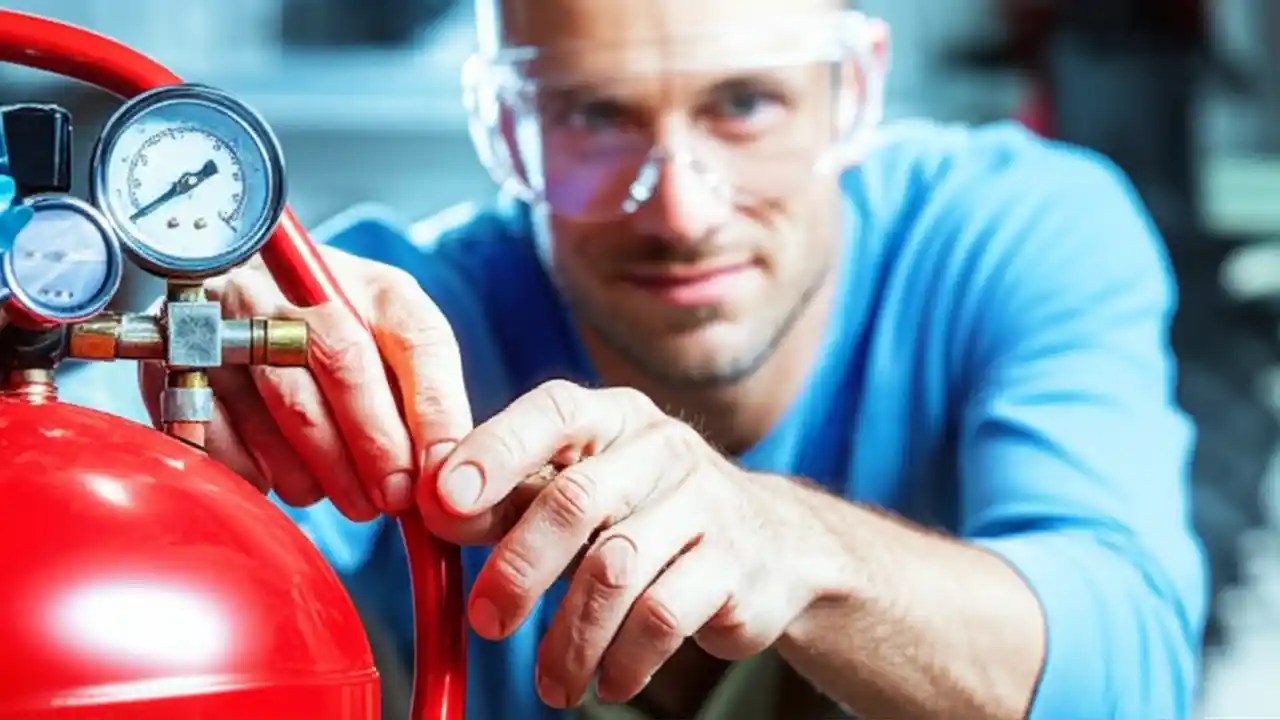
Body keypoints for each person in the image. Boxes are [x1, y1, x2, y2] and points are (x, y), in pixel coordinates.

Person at [0, 0, 1206, 718]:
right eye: (591, 117)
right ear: (501, 129)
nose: (680, 208)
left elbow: (1138, 667)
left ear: (858, 92)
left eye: (744, 106)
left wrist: (791, 542)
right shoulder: (381, 317)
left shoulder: (1013, 231)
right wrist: (163, 434)